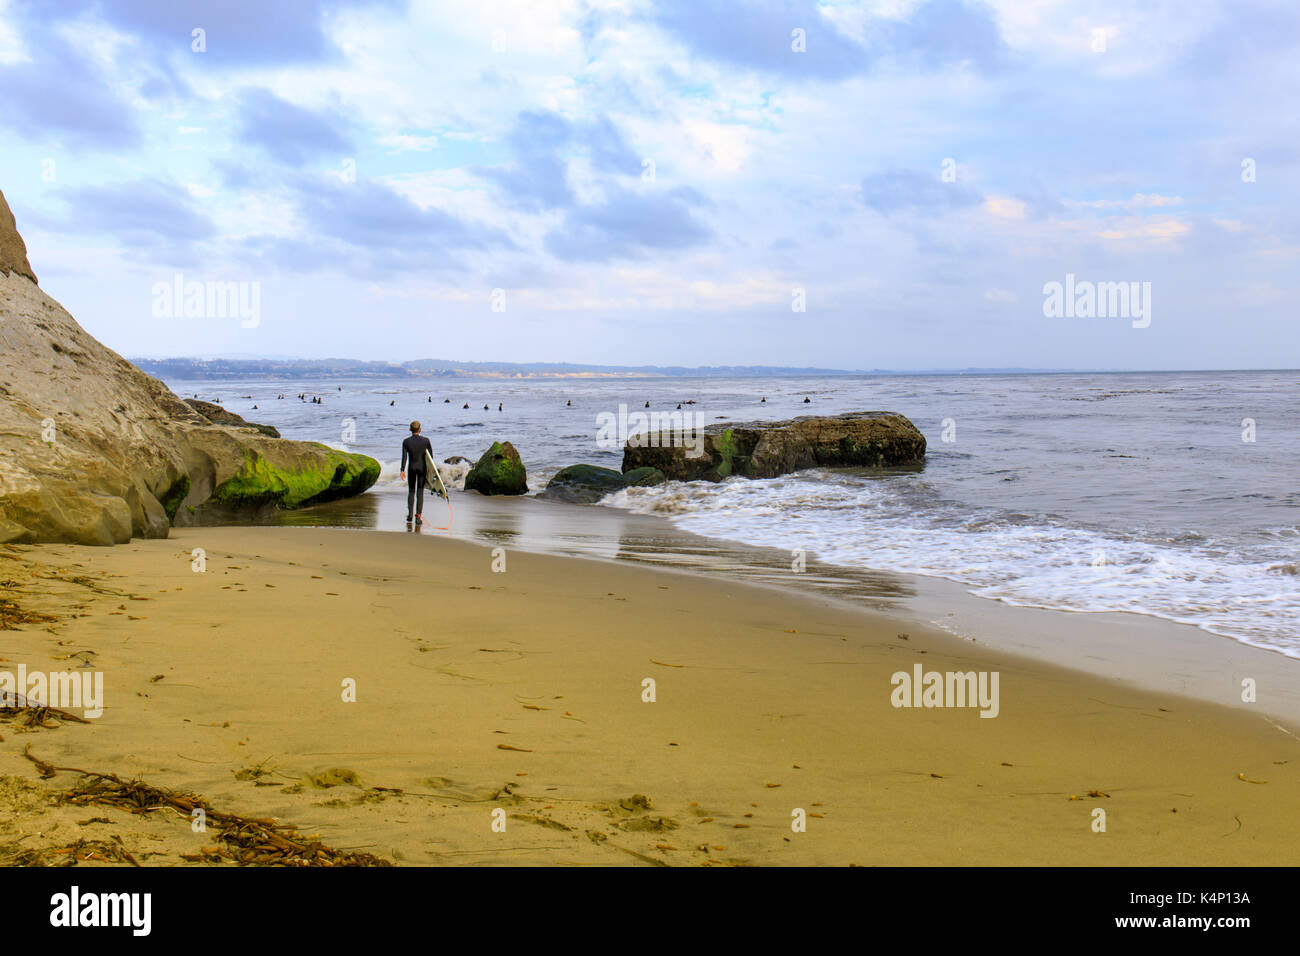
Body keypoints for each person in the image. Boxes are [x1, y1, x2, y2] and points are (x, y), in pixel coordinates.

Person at [400, 420, 435, 523]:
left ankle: (410, 515)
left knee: (411, 491)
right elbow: (430, 458)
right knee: (420, 491)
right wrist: (430, 471)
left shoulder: (406, 441)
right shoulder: (426, 441)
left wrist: (402, 470)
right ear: (420, 429)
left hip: (412, 468)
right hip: (422, 468)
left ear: (410, 429)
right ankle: (418, 517)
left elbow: (404, 457)